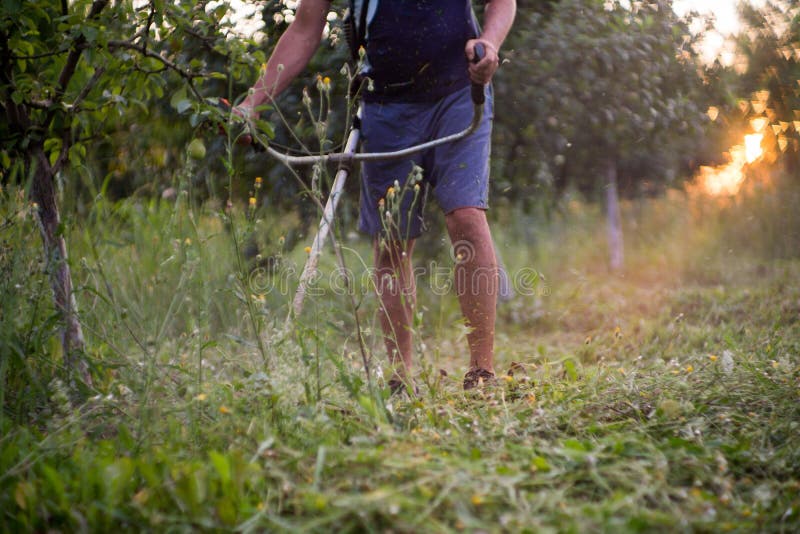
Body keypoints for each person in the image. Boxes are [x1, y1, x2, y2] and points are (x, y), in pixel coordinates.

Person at [236, 0, 516, 391]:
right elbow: (304, 28)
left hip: (458, 92)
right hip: (386, 105)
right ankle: (401, 377)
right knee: (392, 242)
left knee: (466, 216)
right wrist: (251, 105)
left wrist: (490, 41)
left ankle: (481, 372)